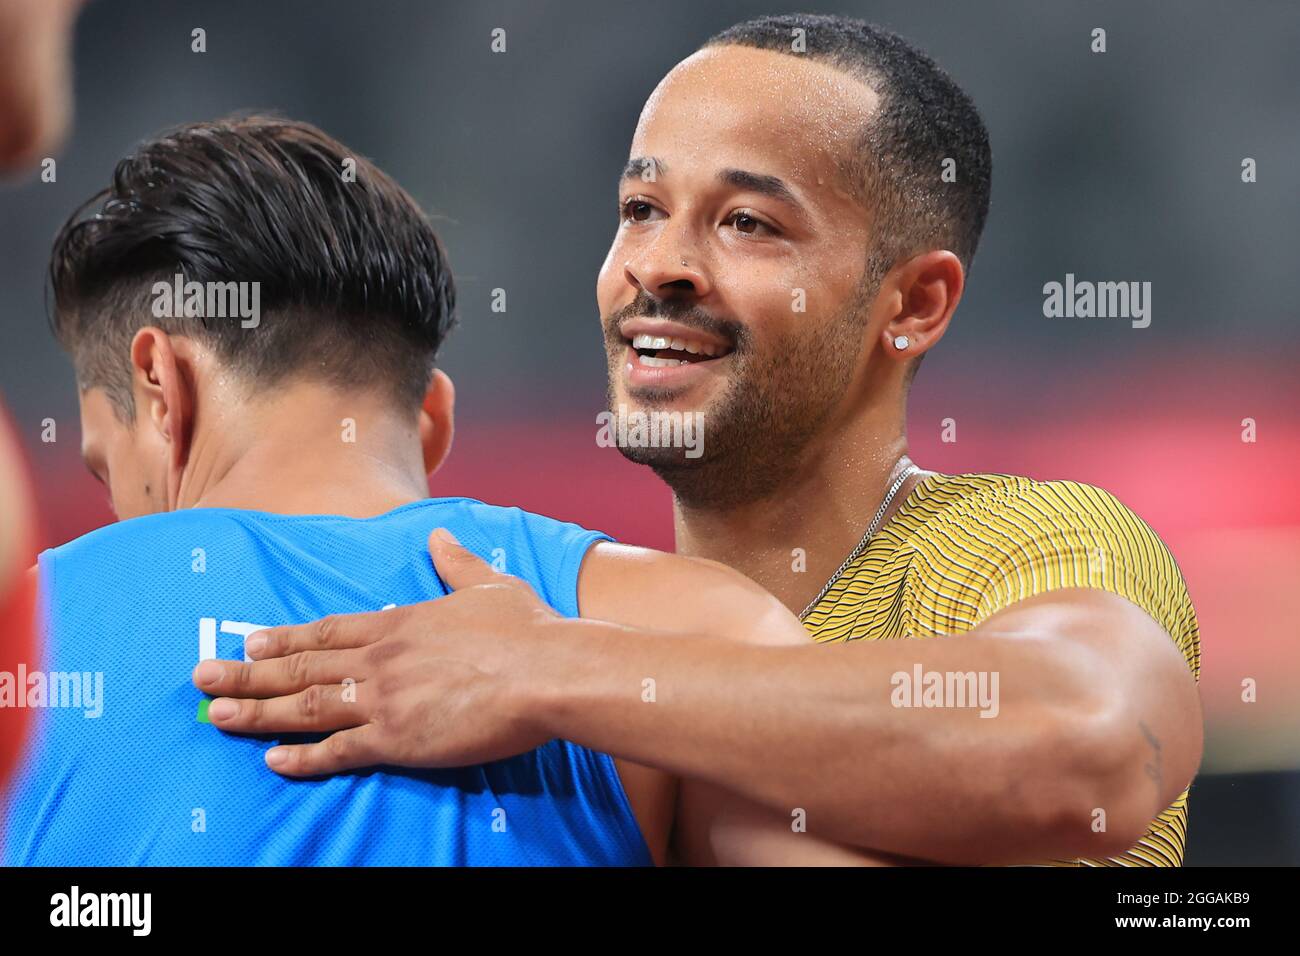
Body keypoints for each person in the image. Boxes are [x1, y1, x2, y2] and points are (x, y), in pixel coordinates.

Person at [206, 15, 1203, 866]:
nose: (660, 264)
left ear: (914, 301)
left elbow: (1091, 741)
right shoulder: (563, 621)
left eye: (748, 222)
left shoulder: (1015, 540)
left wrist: (547, 671)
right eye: (640, 209)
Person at [1, 114, 863, 865]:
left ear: (160, 385)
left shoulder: (28, 632)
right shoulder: (692, 631)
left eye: (106, 470)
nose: (121, 515)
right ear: (435, 421)